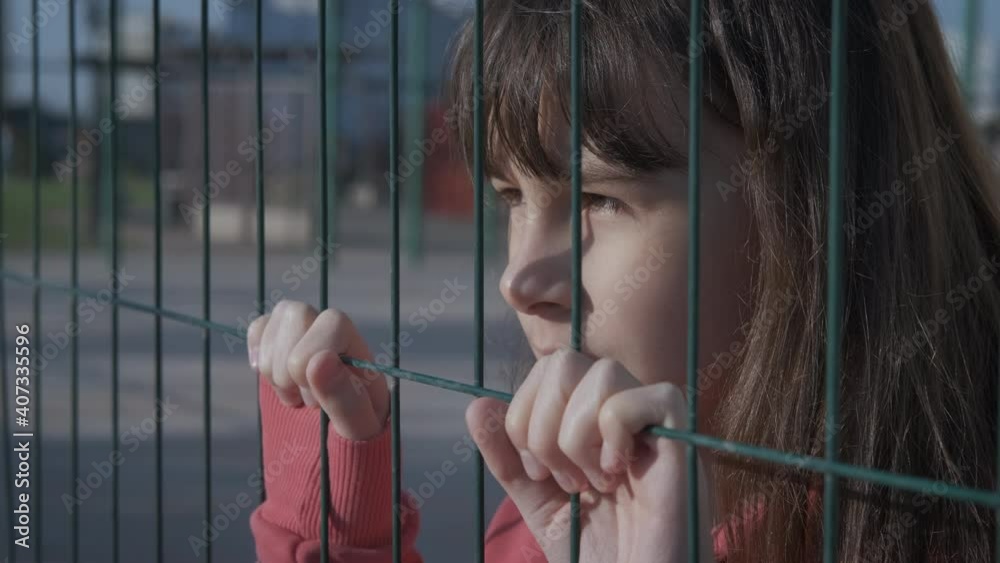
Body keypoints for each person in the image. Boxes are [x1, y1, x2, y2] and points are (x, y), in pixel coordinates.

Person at [247, 1, 1000, 561]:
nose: (518, 277)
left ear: (824, 210)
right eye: (511, 198)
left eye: (601, 198)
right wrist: (338, 518)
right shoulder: (559, 506)